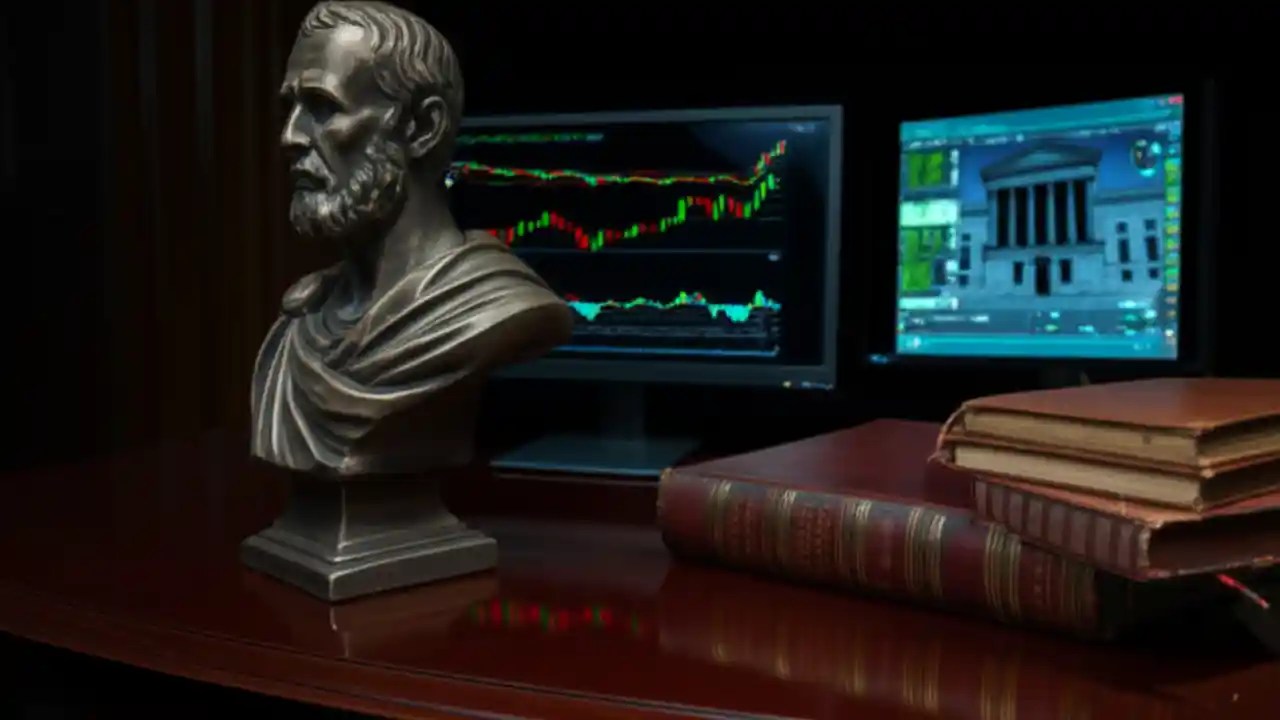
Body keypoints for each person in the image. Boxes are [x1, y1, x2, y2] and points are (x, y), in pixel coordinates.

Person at [251, 0, 572, 475]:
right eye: (290, 108)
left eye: (322, 107)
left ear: (422, 127)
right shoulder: (297, 327)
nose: (290, 136)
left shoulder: (493, 309)